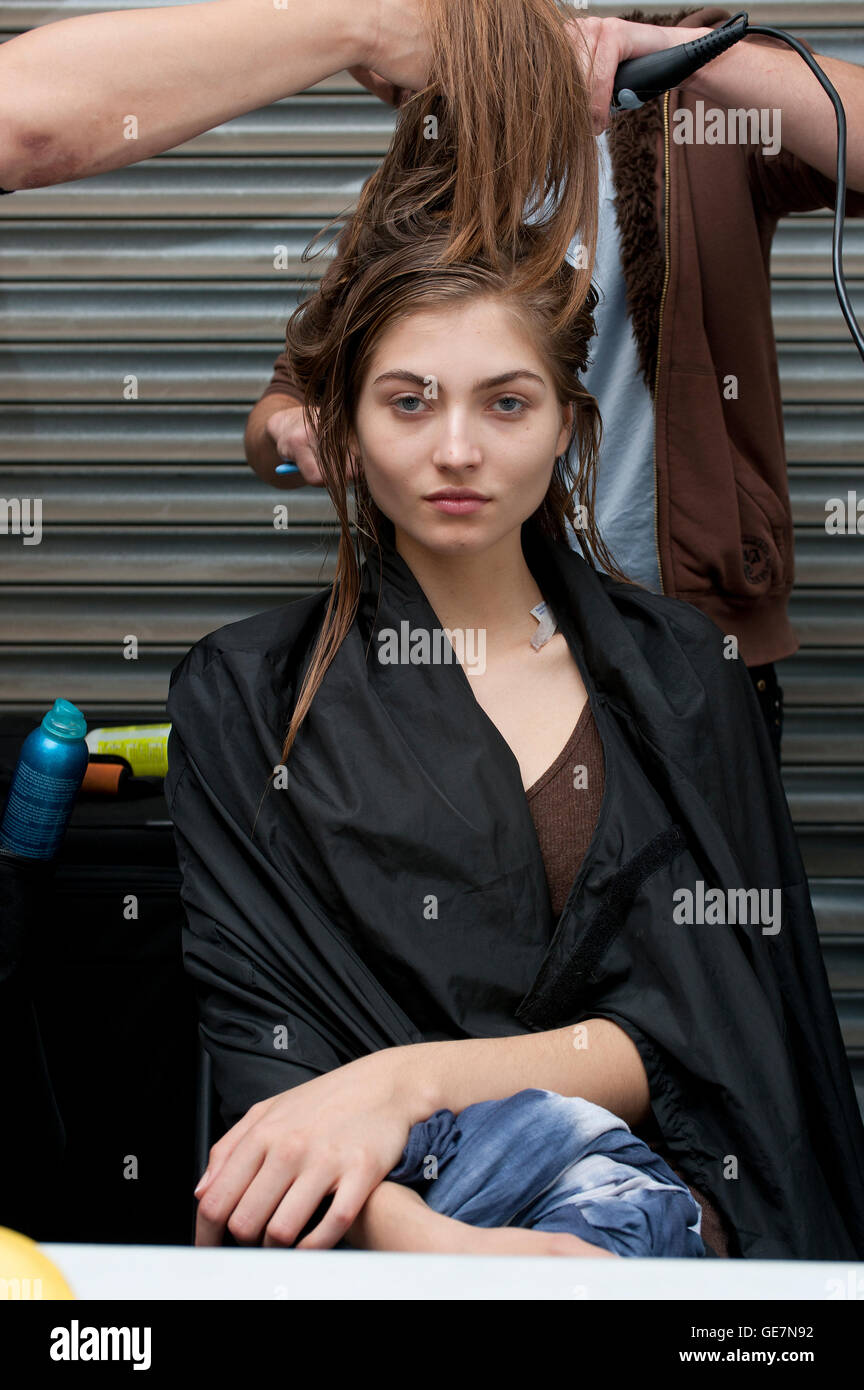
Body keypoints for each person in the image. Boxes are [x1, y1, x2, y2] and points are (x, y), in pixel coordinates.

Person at [166, 0, 864, 1261]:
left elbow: (720, 1033)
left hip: (663, 654)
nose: (455, 448)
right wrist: (440, 1246)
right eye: (409, 402)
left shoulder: (708, 125)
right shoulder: (244, 697)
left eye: (506, 403)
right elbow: (264, 1049)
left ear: (564, 423)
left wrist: (686, 57)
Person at [246, 3, 864, 768]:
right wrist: (291, 431)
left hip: (692, 638)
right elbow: (277, 414)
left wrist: (686, 55)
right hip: (467, 651)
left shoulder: (697, 124)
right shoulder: (418, 185)